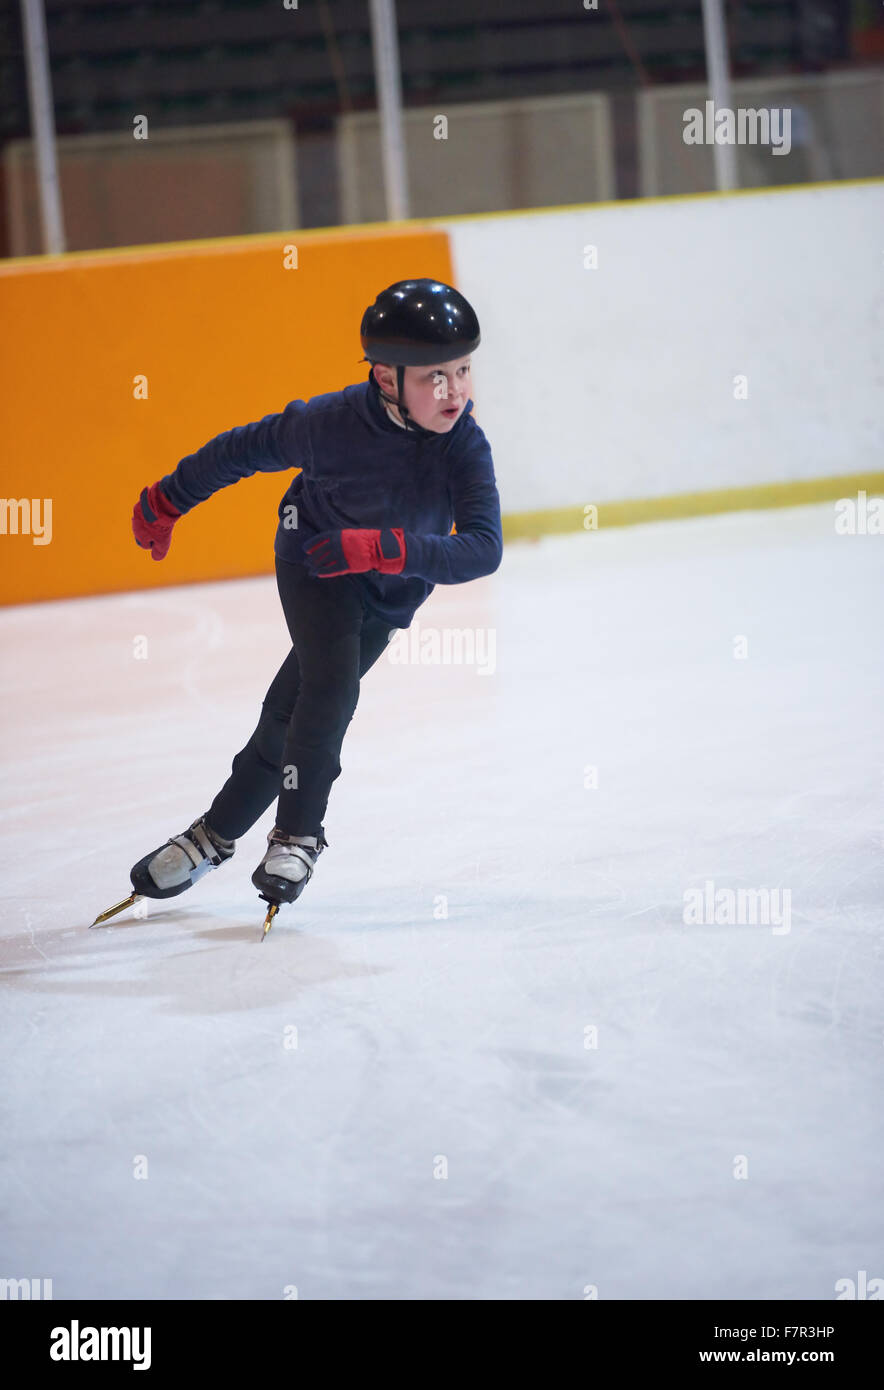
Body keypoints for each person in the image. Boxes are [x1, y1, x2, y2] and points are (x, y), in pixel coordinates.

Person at [113, 279, 503, 929]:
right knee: (329, 687)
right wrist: (168, 498)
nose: (456, 391)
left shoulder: (465, 445)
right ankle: (297, 836)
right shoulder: (329, 425)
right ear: (385, 374)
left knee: (287, 716)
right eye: (436, 377)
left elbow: (483, 549)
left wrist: (384, 550)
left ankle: (211, 835)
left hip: (389, 588)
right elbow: (242, 450)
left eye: (463, 370)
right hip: (314, 557)